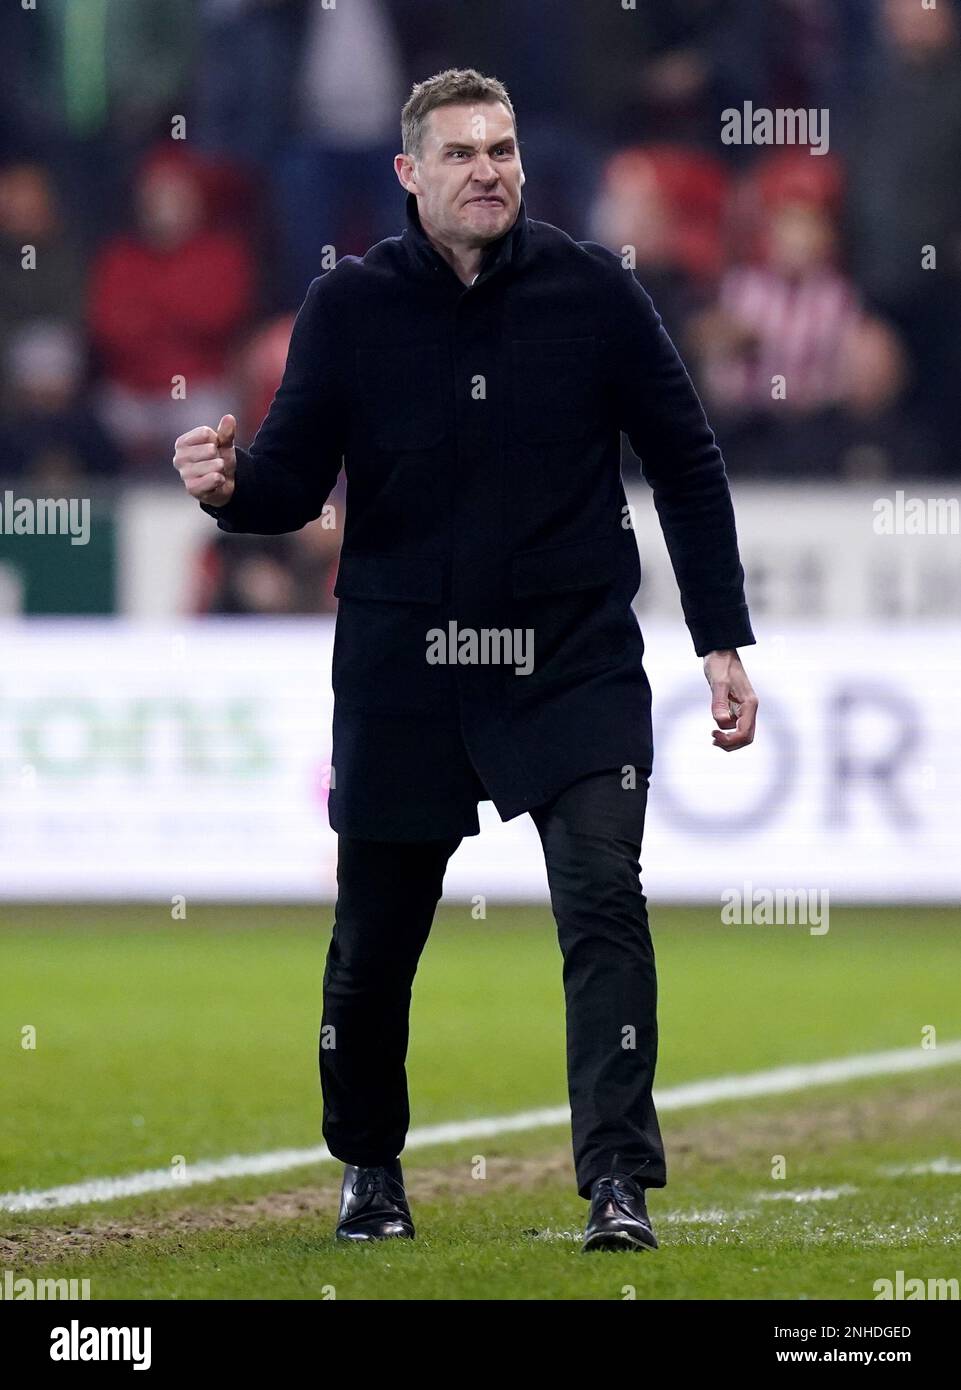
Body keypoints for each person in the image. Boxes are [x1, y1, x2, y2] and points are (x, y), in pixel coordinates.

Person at [173, 68, 759, 1254]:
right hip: (402, 660)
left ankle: (616, 1183)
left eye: (501, 149)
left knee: (603, 903)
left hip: (572, 653)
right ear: (407, 174)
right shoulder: (345, 308)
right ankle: (370, 1166)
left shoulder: (599, 295)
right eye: (460, 153)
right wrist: (229, 490)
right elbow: (289, 481)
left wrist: (719, 639)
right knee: (374, 940)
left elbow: (687, 466)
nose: (488, 168)